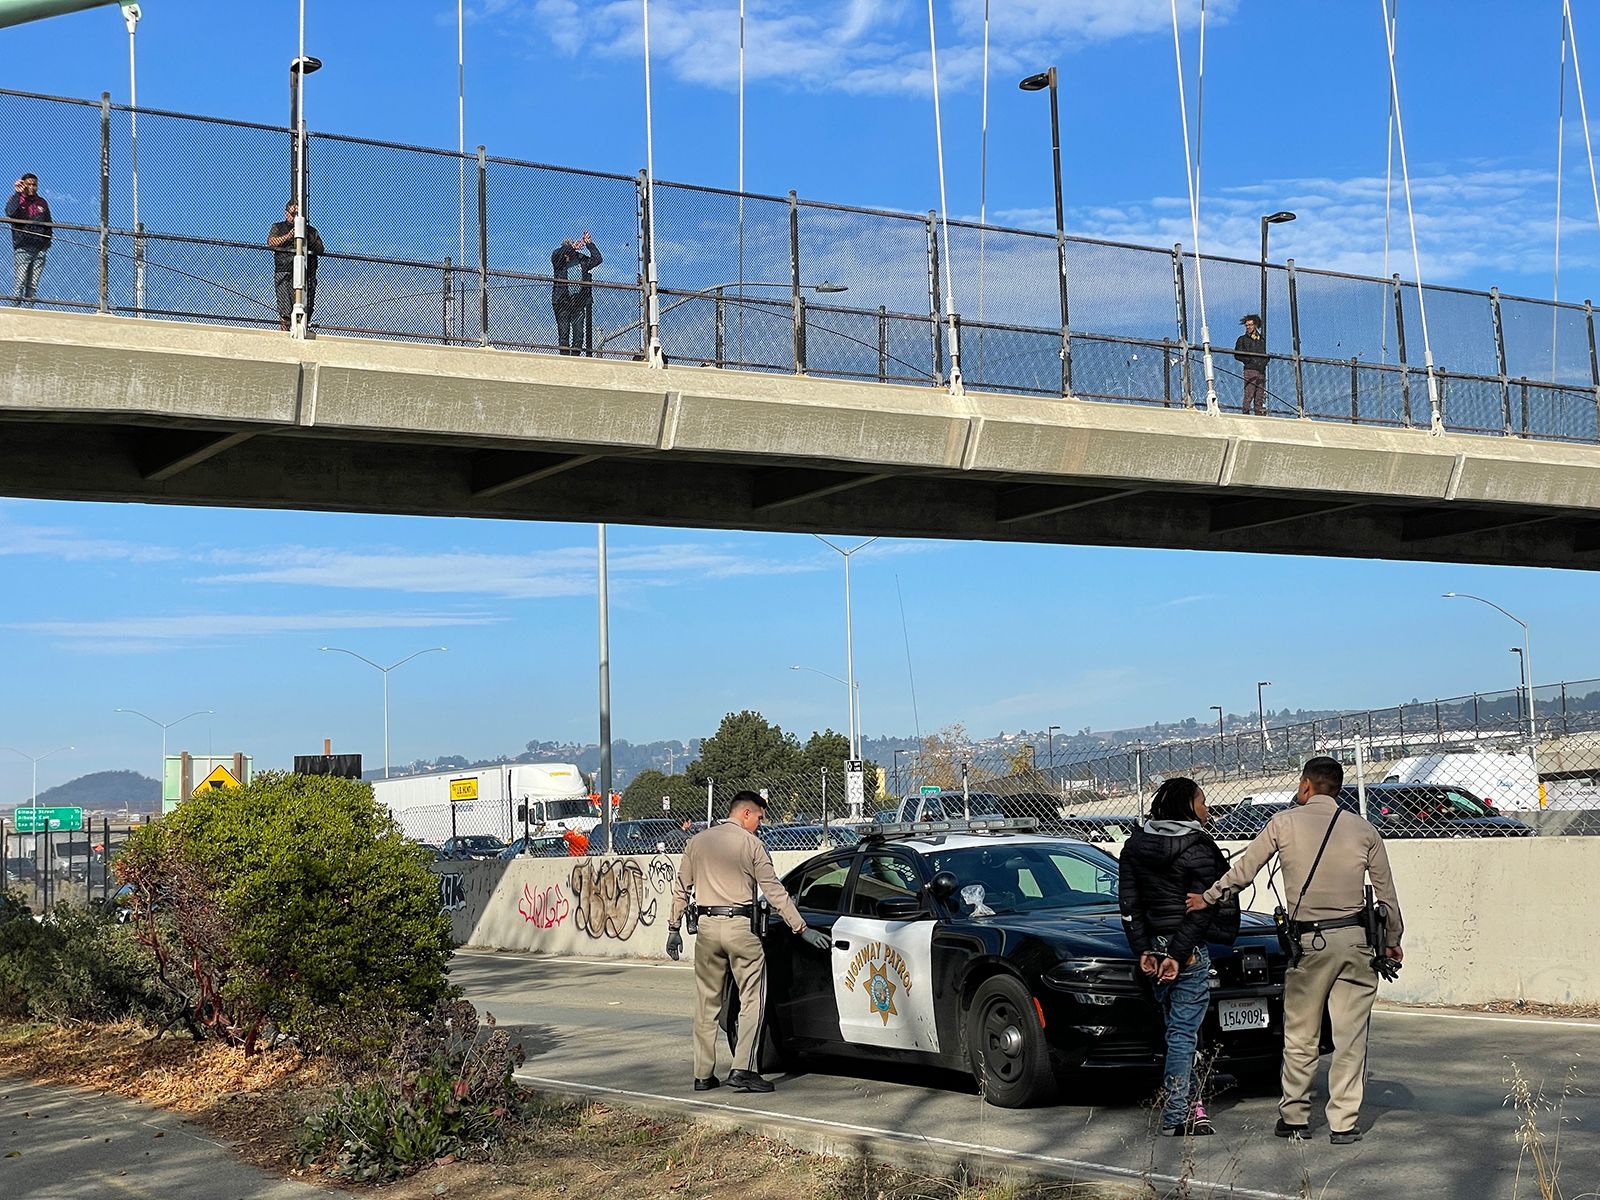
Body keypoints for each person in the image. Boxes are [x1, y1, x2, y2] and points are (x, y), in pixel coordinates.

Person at [1187, 756, 1403, 1145]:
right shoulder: (1364, 830)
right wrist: (1393, 941)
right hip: (1357, 942)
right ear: (1338, 788)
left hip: (1310, 944)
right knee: (1351, 1037)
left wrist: (1208, 897)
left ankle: (1295, 1116)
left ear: (1305, 786)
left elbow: (1245, 870)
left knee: (1301, 1033)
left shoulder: (1283, 823)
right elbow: (1386, 895)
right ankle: (1343, 1123)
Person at [665, 790, 830, 1094]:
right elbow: (776, 892)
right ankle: (743, 1069)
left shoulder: (696, 842)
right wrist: (801, 928)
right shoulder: (752, 845)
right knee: (751, 999)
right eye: (759, 817)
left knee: (706, 1003)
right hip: (741, 928)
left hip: (707, 928)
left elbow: (681, 889)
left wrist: (673, 928)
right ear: (745, 813)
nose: (760, 823)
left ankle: (703, 1074)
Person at [1118, 776, 1234, 1137]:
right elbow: (1202, 909)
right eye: (1202, 802)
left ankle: (1192, 1106)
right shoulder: (1200, 847)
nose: (1207, 809)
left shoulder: (1134, 846)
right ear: (1187, 806)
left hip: (1154, 949)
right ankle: (1177, 1114)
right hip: (1187, 953)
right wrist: (1180, 954)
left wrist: (1144, 950)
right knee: (1184, 1032)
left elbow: (1130, 906)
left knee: (1177, 1031)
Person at [267, 200, 325, 332]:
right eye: (292, 213)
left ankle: (303, 328)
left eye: (297, 214)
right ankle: (285, 331)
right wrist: (289, 236)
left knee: (306, 307)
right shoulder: (278, 227)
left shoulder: (311, 231)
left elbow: (321, 249)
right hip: (284, 270)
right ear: (286, 213)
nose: (294, 217)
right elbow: (271, 242)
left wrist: (308, 238)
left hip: (306, 272)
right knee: (285, 308)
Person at [551, 232, 601, 355]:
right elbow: (558, 254)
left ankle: (575, 359)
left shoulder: (581, 260)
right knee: (564, 334)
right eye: (568, 249)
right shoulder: (559, 260)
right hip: (562, 301)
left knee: (579, 335)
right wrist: (571, 247)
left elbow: (597, 259)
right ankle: (564, 359)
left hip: (578, 302)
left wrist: (589, 243)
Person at [7, 173, 52, 308]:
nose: (32, 187)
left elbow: (49, 223)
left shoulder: (42, 202)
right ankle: (14, 309)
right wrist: (17, 194)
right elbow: (10, 213)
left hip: (39, 249)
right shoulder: (17, 199)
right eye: (29, 184)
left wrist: (46, 244)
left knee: (32, 285)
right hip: (23, 247)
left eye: (34, 184)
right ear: (24, 184)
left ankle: (29, 310)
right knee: (20, 281)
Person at [1233, 313, 1267, 415]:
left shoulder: (1261, 339)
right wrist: (1249, 360)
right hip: (1250, 369)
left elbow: (1263, 353)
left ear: (1255, 325)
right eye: (1247, 325)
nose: (1248, 327)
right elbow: (1237, 354)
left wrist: (1264, 362)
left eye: (1250, 325)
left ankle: (1259, 415)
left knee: (1259, 395)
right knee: (1249, 394)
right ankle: (1246, 414)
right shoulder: (1242, 339)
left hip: (1261, 370)